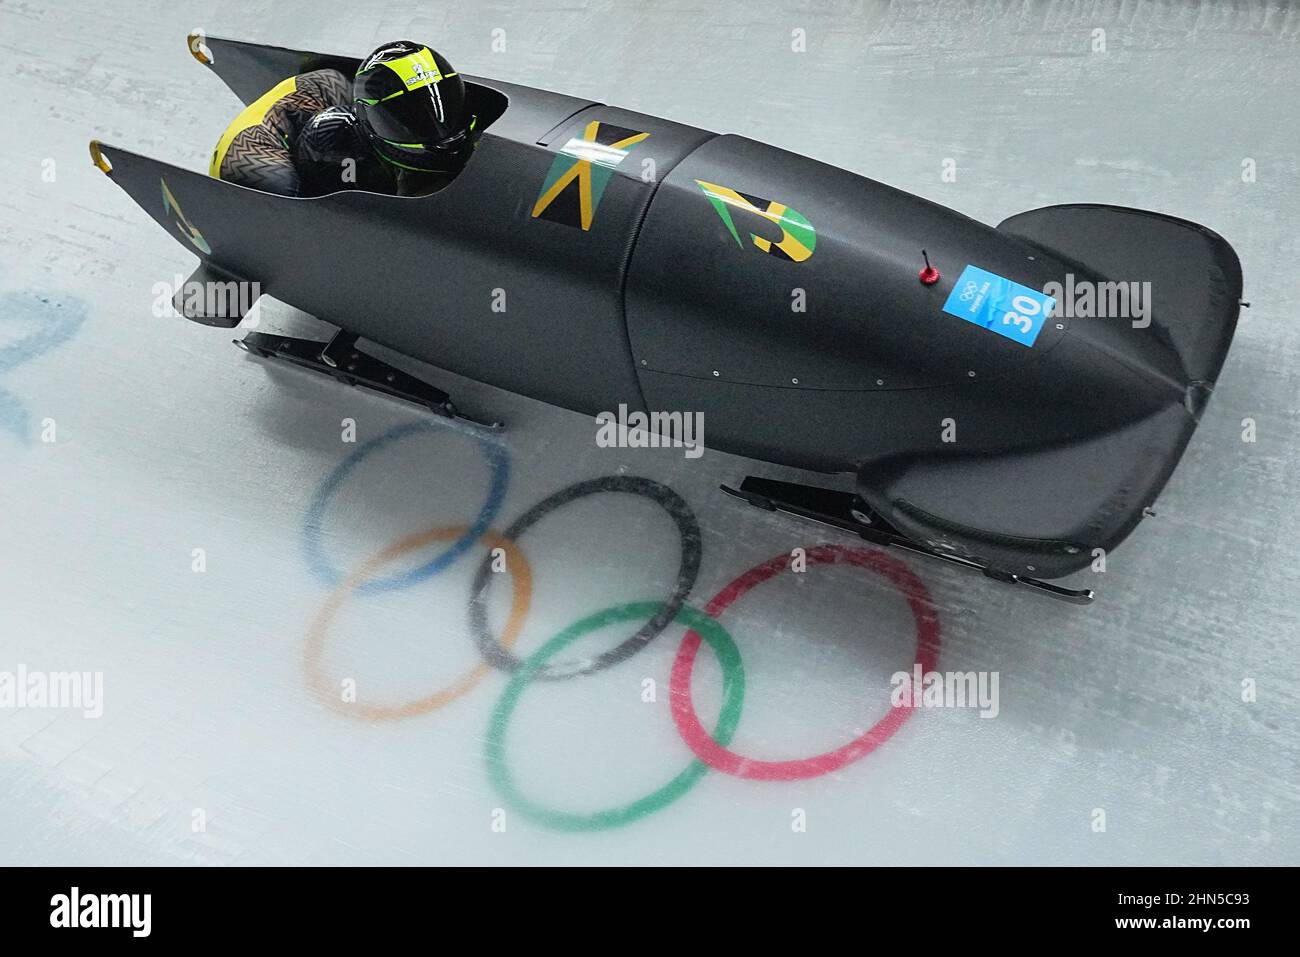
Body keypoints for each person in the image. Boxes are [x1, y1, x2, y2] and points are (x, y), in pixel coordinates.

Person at [209, 40, 476, 198]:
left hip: (321, 89)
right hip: (251, 154)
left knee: (335, 88)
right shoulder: (326, 145)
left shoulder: (348, 90)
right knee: (283, 185)